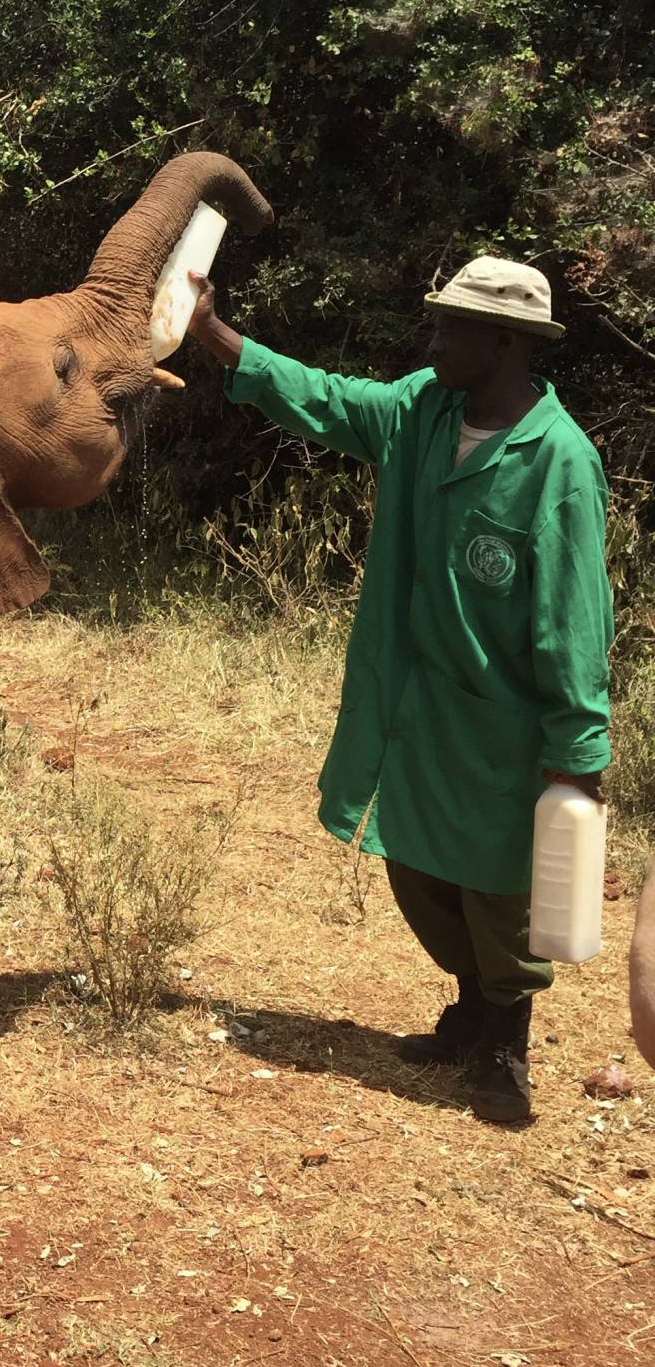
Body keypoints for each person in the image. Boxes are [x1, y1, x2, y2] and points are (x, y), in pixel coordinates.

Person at [186, 257, 613, 1123]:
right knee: (414, 861)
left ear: (504, 342)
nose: (433, 340)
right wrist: (216, 338)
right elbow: (330, 399)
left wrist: (577, 754)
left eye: (450, 327)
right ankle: (469, 1010)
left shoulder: (557, 462)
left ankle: (503, 1041)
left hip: (500, 723)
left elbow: (574, 619)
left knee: (497, 889)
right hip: (415, 706)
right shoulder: (425, 410)